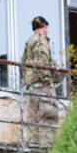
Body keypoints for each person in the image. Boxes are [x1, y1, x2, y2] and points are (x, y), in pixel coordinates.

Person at [21, 15, 60, 144]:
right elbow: (42, 60)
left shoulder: (29, 42)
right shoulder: (41, 40)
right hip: (42, 85)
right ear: (44, 26)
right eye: (47, 28)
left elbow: (23, 63)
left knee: (33, 119)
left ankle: (32, 144)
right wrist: (47, 79)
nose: (48, 31)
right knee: (48, 116)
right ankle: (47, 146)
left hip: (31, 86)